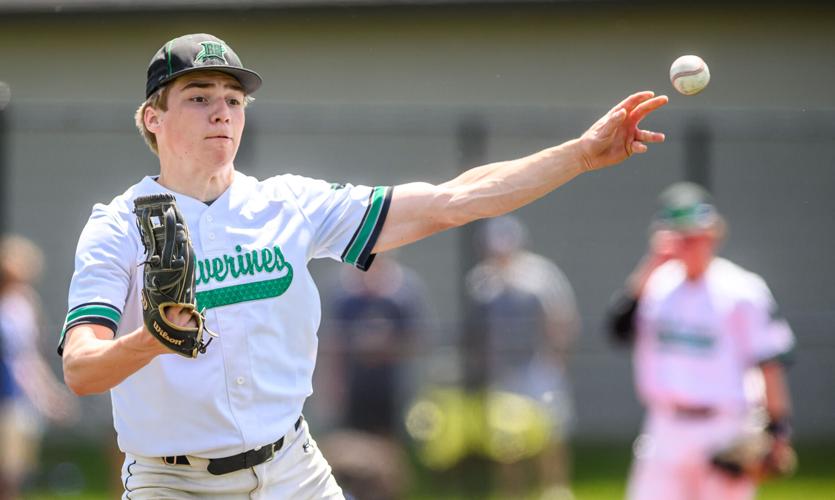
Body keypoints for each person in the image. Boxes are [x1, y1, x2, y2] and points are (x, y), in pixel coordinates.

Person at [57, 33, 667, 499]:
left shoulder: (288, 204)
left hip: (293, 469)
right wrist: (152, 341)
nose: (223, 112)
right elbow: (82, 370)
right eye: (199, 97)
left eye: (233, 98)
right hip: (176, 485)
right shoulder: (120, 226)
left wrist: (580, 155)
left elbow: (452, 200)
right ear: (152, 118)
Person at [606, 182, 795, 500]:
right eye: (680, 235)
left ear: (714, 234)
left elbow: (770, 362)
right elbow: (617, 330)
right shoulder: (656, 285)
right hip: (665, 426)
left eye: (695, 235)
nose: (688, 243)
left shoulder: (742, 290)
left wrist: (778, 430)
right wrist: (651, 263)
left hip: (723, 426)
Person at [465, 215, 579, 499]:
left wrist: (558, 360)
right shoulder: (481, 281)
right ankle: (511, 493)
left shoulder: (541, 275)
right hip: (503, 372)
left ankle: (554, 490)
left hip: (539, 366)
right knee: (506, 441)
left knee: (550, 432)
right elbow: (476, 330)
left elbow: (561, 318)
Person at [0, 235, 78, 499]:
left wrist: (49, 394)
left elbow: (30, 355)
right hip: (5, 394)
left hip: (18, 396)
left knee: (16, 472)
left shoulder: (26, 303)